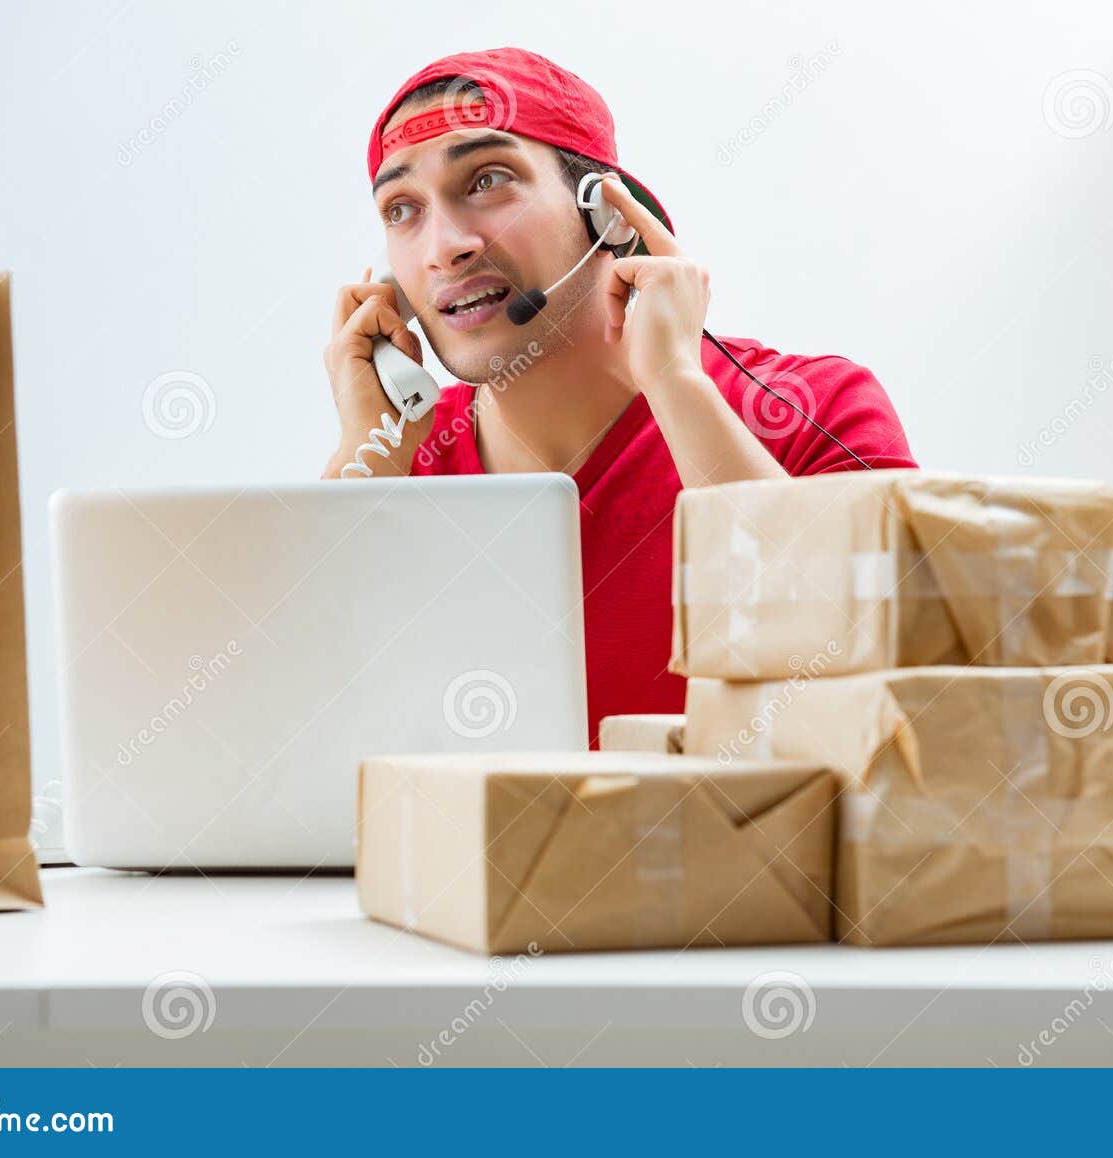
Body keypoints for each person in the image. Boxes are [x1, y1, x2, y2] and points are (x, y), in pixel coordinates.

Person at [322, 47, 916, 745]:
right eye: (402, 210)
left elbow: (895, 709)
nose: (442, 248)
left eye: (486, 179)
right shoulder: (403, 465)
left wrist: (676, 383)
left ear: (609, 213)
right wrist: (365, 463)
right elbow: (291, 742)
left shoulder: (808, 409)